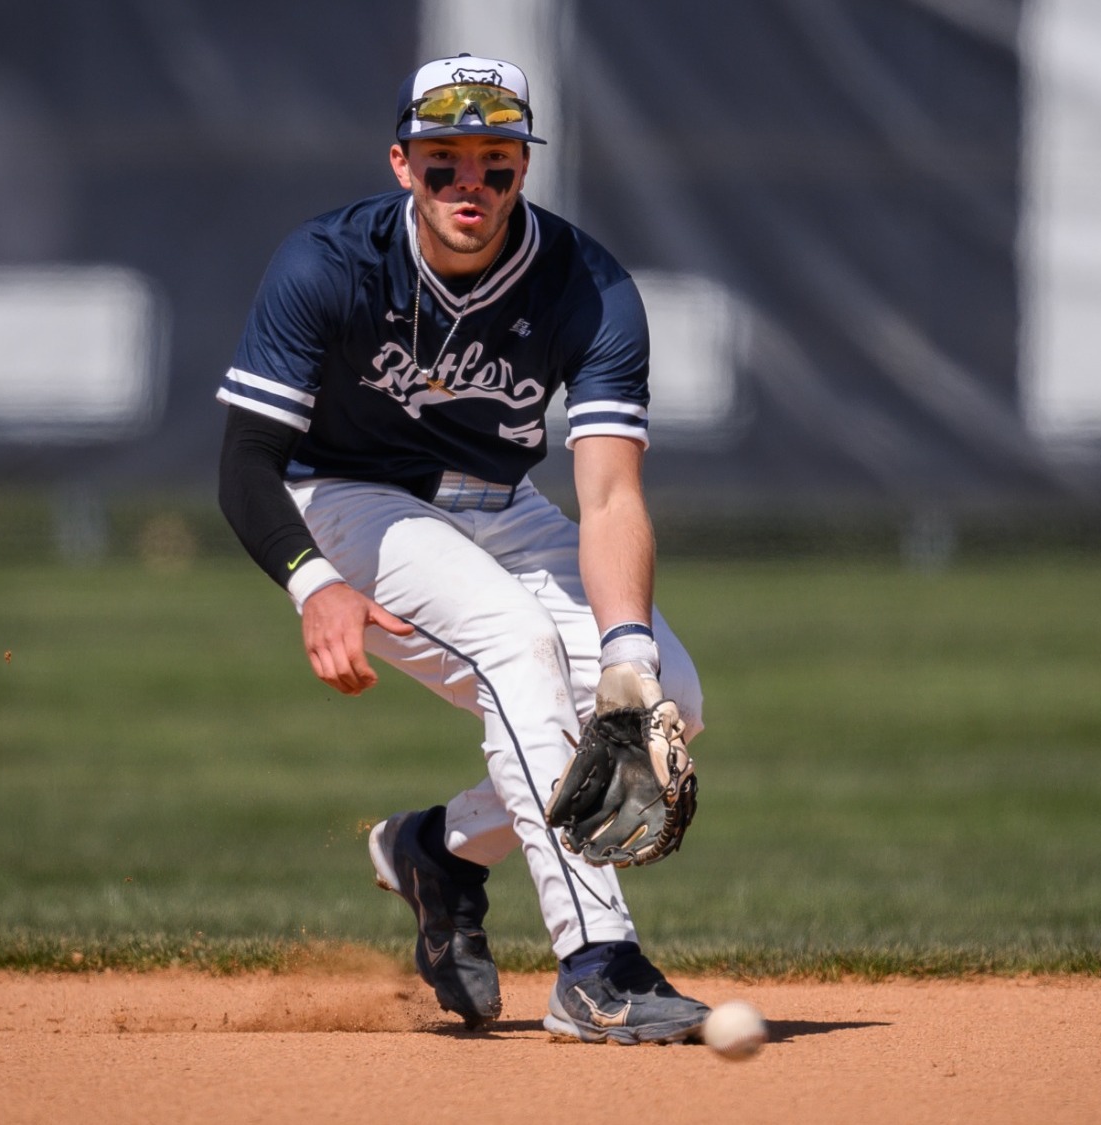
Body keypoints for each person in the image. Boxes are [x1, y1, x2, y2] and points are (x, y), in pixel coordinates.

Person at [215, 53, 709, 1044]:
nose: (468, 183)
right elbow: (245, 463)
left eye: (495, 159)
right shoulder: (327, 263)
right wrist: (312, 584)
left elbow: (609, 495)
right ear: (403, 164)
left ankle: (435, 852)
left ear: (524, 168)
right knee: (514, 646)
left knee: (668, 702)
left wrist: (623, 658)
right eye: (444, 160)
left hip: (497, 504)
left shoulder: (587, 286)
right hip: (345, 502)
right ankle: (594, 966)